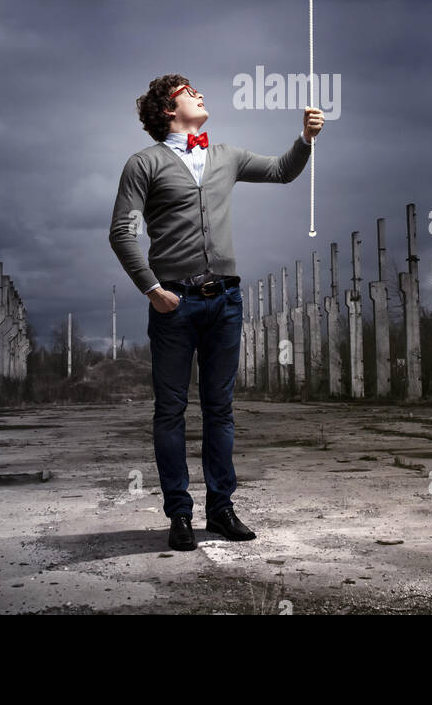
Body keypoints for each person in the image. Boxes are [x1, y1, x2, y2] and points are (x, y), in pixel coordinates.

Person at [109, 74, 324, 551]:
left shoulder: (226, 155)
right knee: (170, 411)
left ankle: (222, 510)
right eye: (190, 91)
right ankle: (179, 515)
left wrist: (305, 140)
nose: (201, 94)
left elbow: (283, 171)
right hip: (174, 302)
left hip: (226, 300)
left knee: (220, 409)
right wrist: (152, 289)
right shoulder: (143, 164)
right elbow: (122, 233)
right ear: (169, 108)